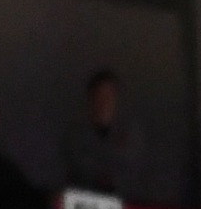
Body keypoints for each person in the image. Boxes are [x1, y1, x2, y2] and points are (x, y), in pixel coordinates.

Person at [60, 68, 147, 197]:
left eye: (109, 95)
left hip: (124, 201)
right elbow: (79, 166)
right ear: (91, 98)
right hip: (83, 200)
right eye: (100, 95)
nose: (104, 102)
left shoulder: (131, 132)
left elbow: (131, 164)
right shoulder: (75, 133)